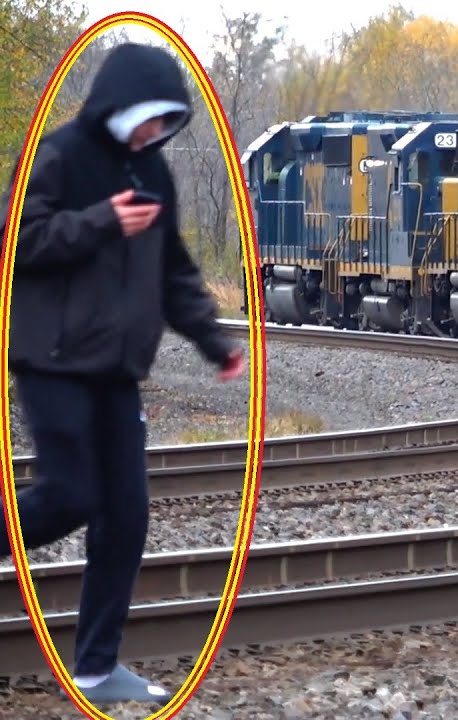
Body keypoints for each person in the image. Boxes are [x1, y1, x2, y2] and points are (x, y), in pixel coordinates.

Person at [0, 41, 246, 706]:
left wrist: (214, 342)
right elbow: (15, 236)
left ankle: (95, 667)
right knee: (69, 496)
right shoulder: (59, 154)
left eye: (166, 120)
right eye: (148, 117)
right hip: (51, 359)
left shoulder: (154, 172)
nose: (154, 131)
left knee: (127, 515)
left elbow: (174, 270)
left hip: (115, 370)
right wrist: (101, 221)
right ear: (118, 106)